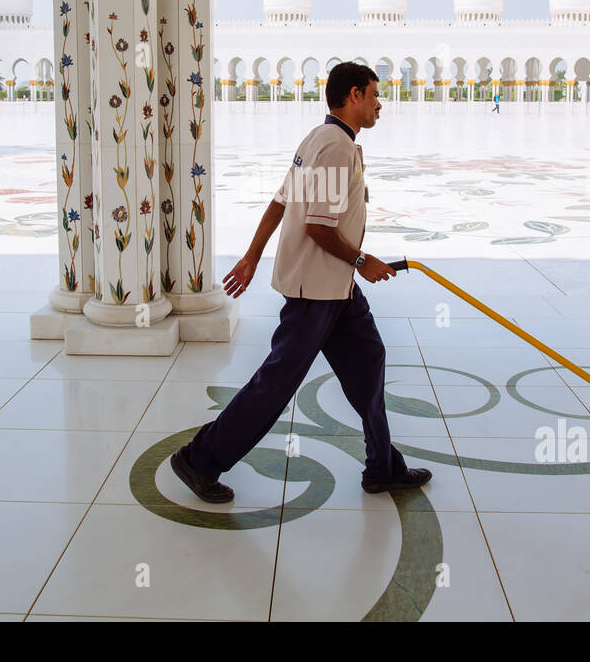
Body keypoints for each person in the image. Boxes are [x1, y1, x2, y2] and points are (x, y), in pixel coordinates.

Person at [171, 61, 432, 503]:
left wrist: (253, 256)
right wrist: (364, 260)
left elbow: (280, 202)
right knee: (276, 383)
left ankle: (382, 466)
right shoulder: (334, 147)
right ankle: (200, 459)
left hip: (337, 289)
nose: (379, 104)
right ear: (352, 96)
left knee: (369, 361)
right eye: (373, 95)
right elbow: (318, 226)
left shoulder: (320, 137)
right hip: (316, 292)